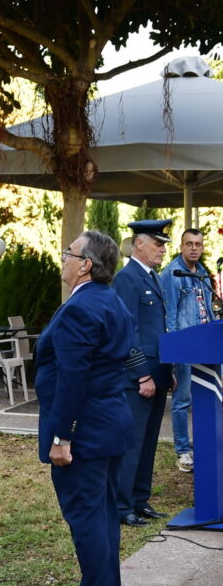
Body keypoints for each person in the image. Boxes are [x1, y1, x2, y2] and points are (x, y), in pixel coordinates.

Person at [35, 230, 134, 586]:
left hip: (87, 435)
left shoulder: (82, 307)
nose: (64, 258)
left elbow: (73, 379)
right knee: (104, 518)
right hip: (109, 426)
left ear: (86, 265)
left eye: (69, 253)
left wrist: (63, 437)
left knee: (89, 521)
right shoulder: (109, 299)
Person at [113, 218, 174, 526]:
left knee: (148, 443)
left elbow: (157, 329)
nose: (162, 249)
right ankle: (123, 507)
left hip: (158, 373)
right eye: (157, 243)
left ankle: (140, 499)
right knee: (133, 443)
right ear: (139, 243)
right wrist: (142, 375)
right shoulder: (127, 278)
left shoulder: (152, 277)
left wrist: (167, 370)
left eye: (163, 244)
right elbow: (128, 332)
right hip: (139, 378)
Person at [160, 228, 215, 472]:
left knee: (208, 396)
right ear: (181, 246)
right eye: (189, 244)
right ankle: (183, 451)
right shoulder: (172, 273)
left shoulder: (202, 272)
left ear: (203, 247)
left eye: (198, 244)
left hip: (208, 345)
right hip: (186, 346)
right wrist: (174, 353)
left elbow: (207, 309)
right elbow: (169, 315)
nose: (194, 248)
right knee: (183, 400)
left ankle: (207, 446)